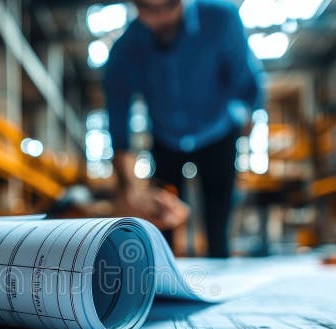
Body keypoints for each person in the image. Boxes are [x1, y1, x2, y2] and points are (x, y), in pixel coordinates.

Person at [105, 0, 262, 257]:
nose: (162, 17)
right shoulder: (126, 49)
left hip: (219, 133)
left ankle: (219, 285)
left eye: (169, 6)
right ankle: (166, 286)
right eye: (149, 10)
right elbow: (119, 122)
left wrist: (242, 126)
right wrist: (132, 190)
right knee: (160, 227)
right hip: (165, 140)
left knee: (217, 225)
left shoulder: (222, 19)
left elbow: (247, 84)